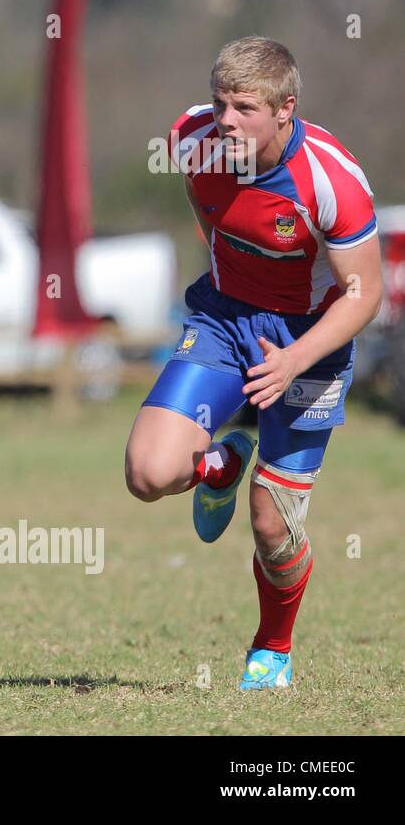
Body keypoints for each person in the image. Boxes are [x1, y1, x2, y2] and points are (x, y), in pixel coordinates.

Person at [125, 36, 381, 690]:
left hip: (310, 344)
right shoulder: (192, 137)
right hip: (221, 319)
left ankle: (272, 648)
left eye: (244, 107)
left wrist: (295, 358)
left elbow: (365, 294)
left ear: (285, 108)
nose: (227, 120)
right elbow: (205, 208)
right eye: (220, 103)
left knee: (272, 522)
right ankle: (223, 464)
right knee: (148, 474)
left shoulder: (331, 181)